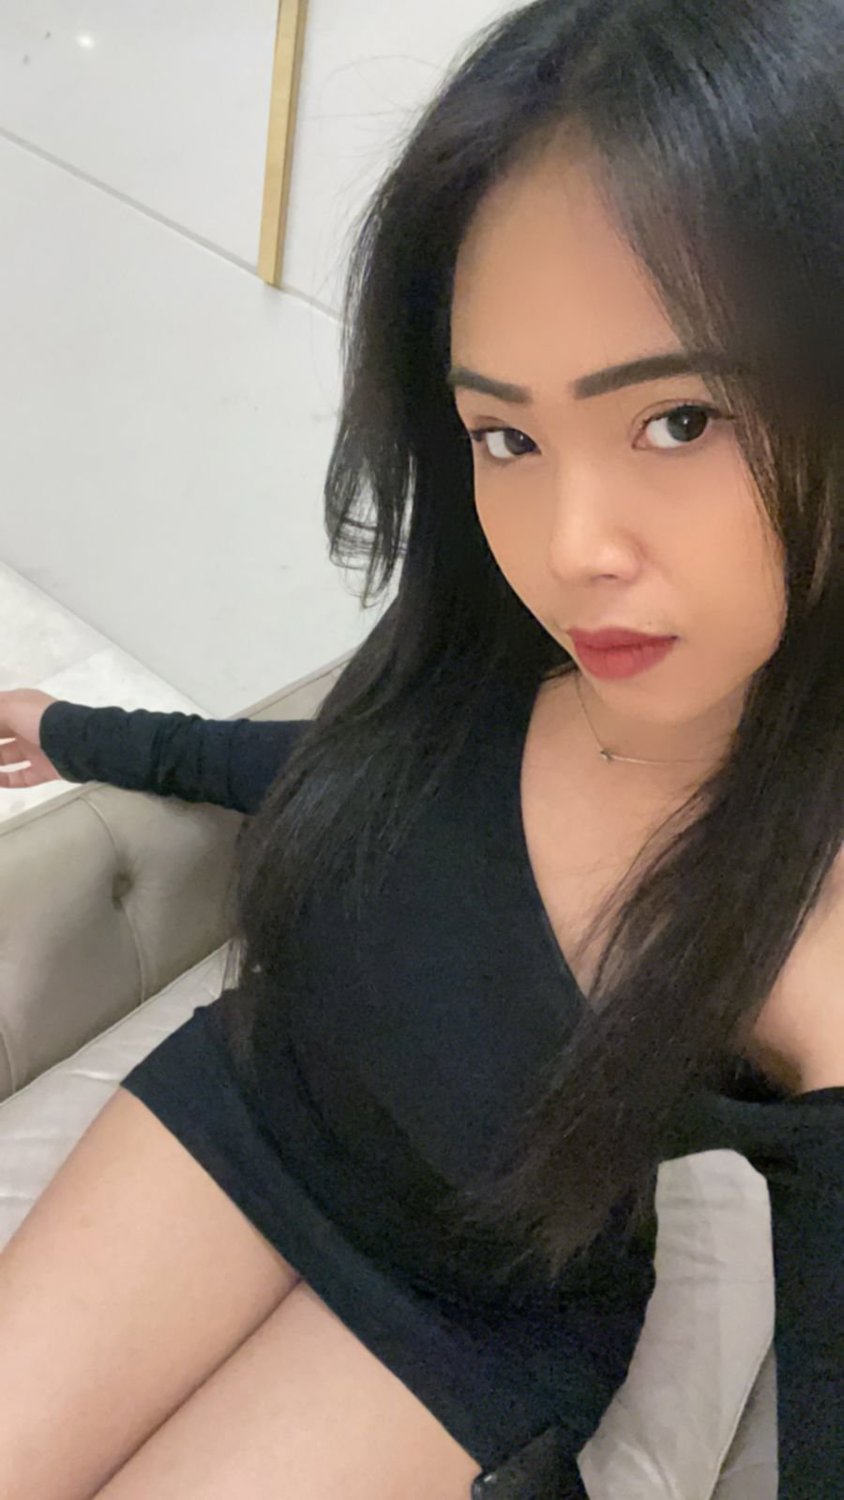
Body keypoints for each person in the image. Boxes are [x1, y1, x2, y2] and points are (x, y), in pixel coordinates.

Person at [1, 0, 842, 1495]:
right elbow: (356, 791)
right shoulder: (497, 644)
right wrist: (71, 731)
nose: (571, 547)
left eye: (680, 418)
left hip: (463, 1313)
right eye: (507, 435)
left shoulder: (818, 928)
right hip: (251, 1101)